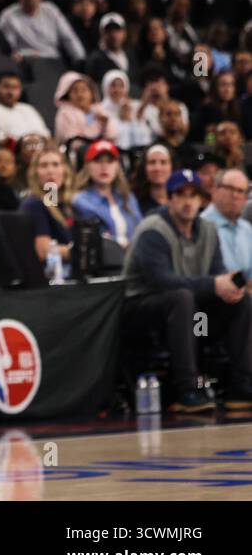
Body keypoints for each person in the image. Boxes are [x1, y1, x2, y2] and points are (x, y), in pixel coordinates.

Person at [123, 169, 252, 411]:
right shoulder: (153, 230)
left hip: (192, 313)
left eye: (193, 195)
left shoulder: (208, 230)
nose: (188, 202)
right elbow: (162, 282)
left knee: (241, 301)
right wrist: (214, 284)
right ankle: (187, 389)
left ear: (201, 200)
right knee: (181, 298)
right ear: (169, 199)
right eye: (181, 195)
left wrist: (230, 287)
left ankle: (240, 386)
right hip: (141, 310)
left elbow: (218, 274)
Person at [18, 139, 75, 281]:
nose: (50, 171)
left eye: (55, 164)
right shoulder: (34, 205)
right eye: (44, 165)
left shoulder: (63, 203)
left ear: (64, 170)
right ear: (35, 172)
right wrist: (78, 252)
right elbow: (43, 251)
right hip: (47, 280)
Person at [0, 0, 86, 63]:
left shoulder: (51, 10)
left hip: (51, 60)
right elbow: (6, 47)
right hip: (24, 61)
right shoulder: (8, 16)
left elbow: (69, 38)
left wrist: (80, 60)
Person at [71, 140, 143, 248]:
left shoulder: (128, 197)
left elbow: (141, 231)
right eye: (97, 161)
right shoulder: (81, 201)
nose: (104, 167)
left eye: (110, 161)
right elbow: (97, 242)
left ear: (117, 166)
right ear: (88, 166)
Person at [203, 168, 252, 283]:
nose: (235, 195)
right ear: (215, 190)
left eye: (241, 191)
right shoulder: (200, 226)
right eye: (230, 189)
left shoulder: (247, 229)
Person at [54, 71, 118, 146]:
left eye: (84, 90)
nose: (80, 94)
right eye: (75, 90)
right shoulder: (65, 113)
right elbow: (70, 140)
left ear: (92, 93)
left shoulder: (99, 110)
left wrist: (106, 124)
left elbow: (112, 136)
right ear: (67, 95)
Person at [100, 70, 151, 151]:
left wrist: (131, 120)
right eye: (113, 85)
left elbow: (144, 137)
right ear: (106, 87)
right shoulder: (100, 109)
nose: (117, 90)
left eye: (121, 86)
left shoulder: (133, 106)